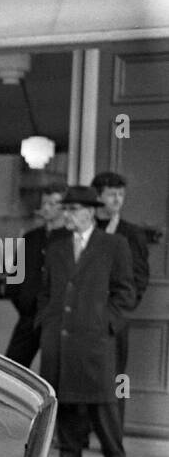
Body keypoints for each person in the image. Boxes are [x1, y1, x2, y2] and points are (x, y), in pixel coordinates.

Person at [37, 186, 136, 457]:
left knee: (103, 399)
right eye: (65, 209)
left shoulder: (113, 245)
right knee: (64, 396)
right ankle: (69, 453)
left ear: (90, 212)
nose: (66, 215)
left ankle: (115, 456)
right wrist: (46, 322)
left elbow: (125, 292)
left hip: (96, 335)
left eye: (73, 210)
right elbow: (46, 291)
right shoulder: (56, 247)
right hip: (60, 334)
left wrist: (107, 324)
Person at [90, 171, 150, 429]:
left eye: (121, 195)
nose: (117, 200)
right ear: (98, 196)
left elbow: (139, 279)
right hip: (81, 317)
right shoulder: (84, 228)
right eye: (112, 194)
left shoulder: (131, 233)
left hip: (113, 320)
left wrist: (117, 314)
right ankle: (75, 441)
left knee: (115, 381)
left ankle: (113, 441)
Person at [4, 182, 69, 368]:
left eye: (52, 203)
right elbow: (15, 276)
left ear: (64, 208)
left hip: (56, 317)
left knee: (53, 369)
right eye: (45, 203)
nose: (46, 208)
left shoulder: (70, 239)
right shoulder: (31, 238)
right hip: (29, 315)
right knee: (13, 367)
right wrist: (23, 302)